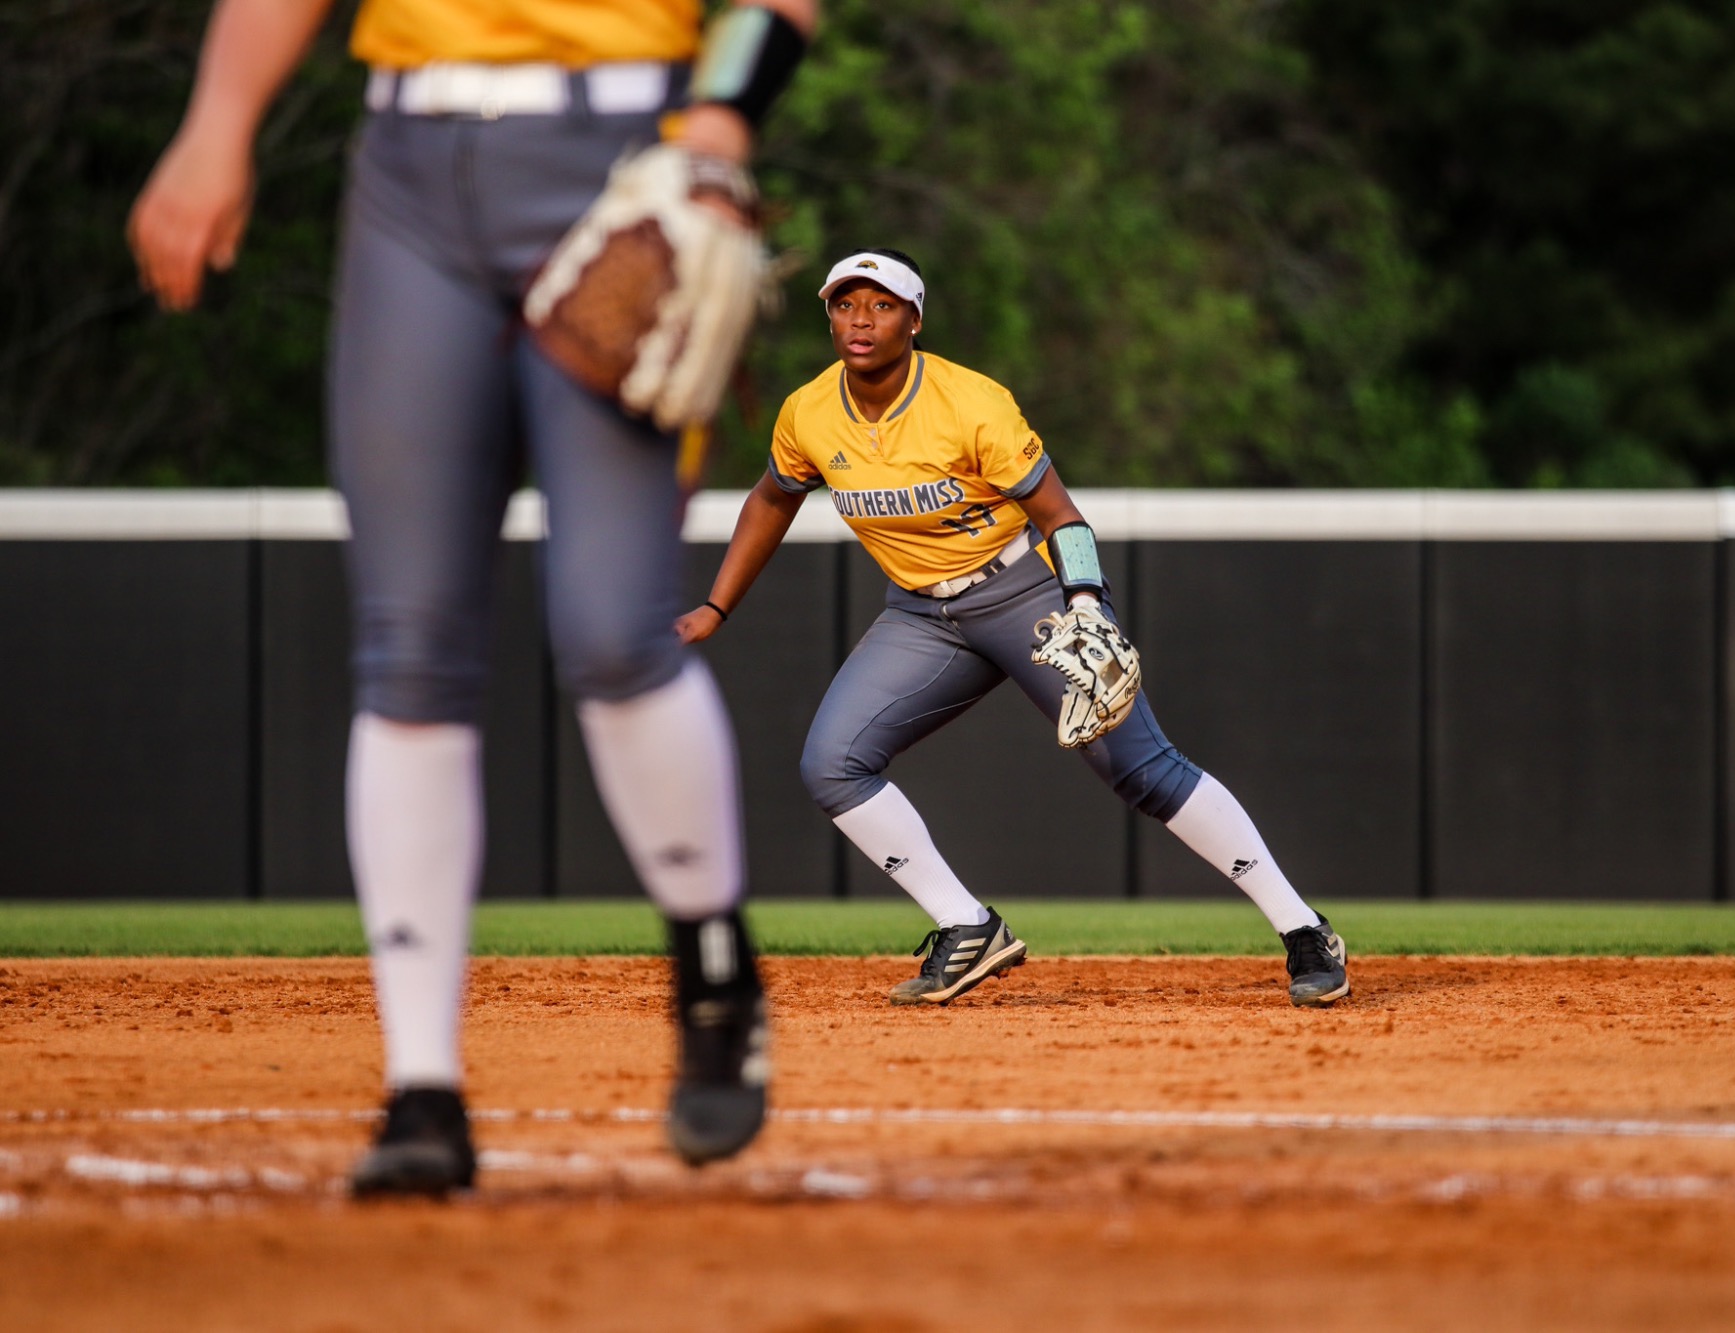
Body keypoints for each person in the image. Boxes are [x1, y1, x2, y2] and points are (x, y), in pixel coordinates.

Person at [128, 0, 818, 1196]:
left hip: (616, 156)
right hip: (411, 172)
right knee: (408, 648)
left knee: (612, 629)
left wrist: (720, 123)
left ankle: (712, 968)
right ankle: (421, 1088)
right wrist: (217, 121)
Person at [678, 249, 1352, 1008]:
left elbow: (1062, 515)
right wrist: (717, 603)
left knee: (1140, 768)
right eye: (845, 303)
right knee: (832, 763)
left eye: (882, 304)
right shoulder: (809, 411)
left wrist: (1087, 603)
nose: (861, 320)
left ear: (915, 320)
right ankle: (967, 927)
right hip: (921, 614)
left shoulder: (971, 402)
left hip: (1021, 592)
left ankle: (1305, 929)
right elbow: (773, 498)